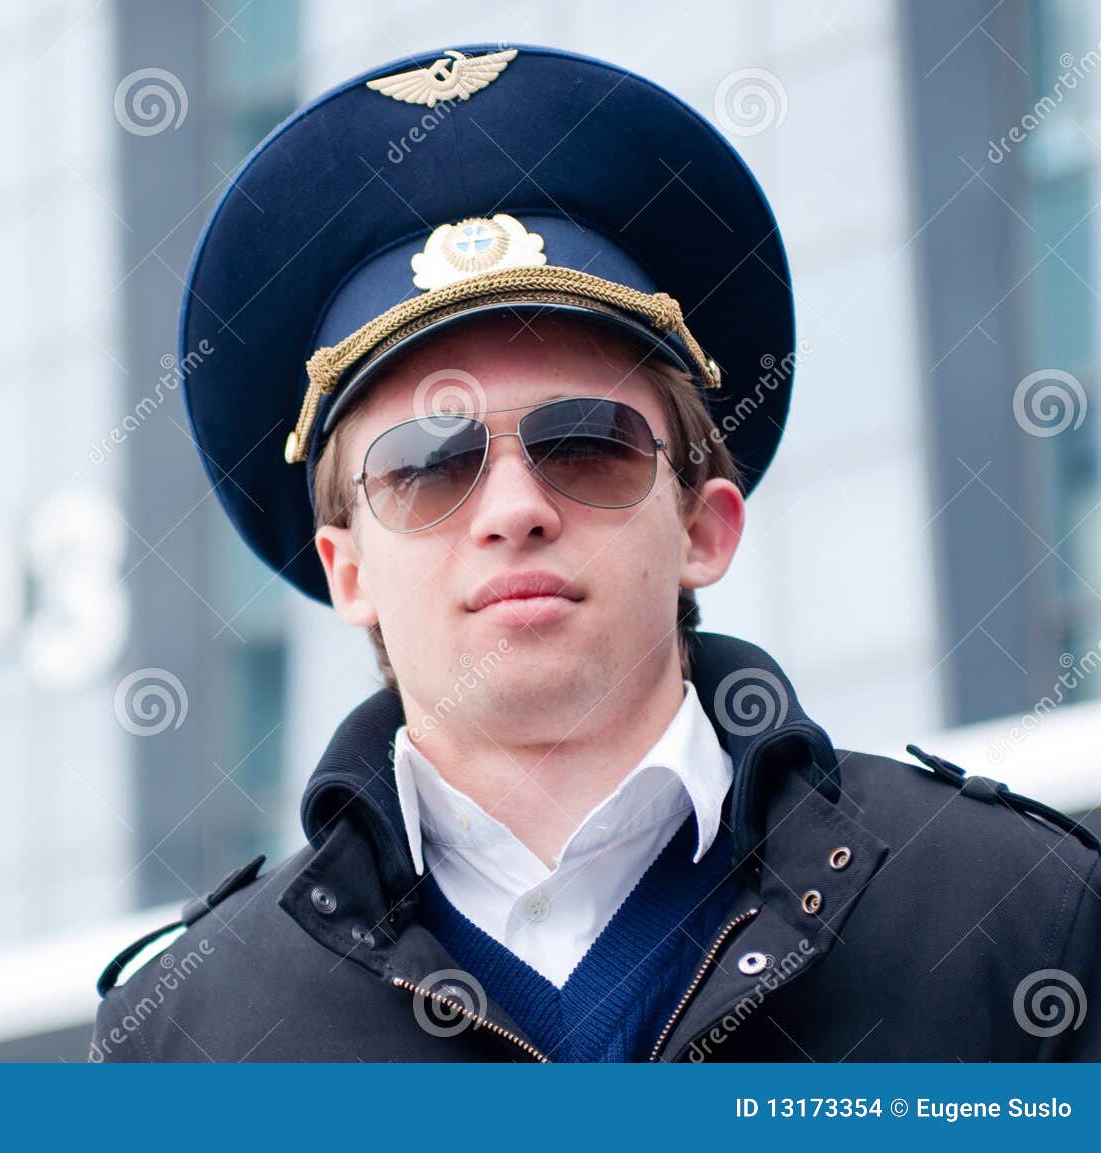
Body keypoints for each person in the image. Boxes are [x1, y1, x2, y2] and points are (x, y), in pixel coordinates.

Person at [89, 43, 1101, 1062]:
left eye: (587, 444)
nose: (515, 507)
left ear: (704, 527)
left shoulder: (1015, 919)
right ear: (347, 568)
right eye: (429, 465)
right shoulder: (185, 1042)